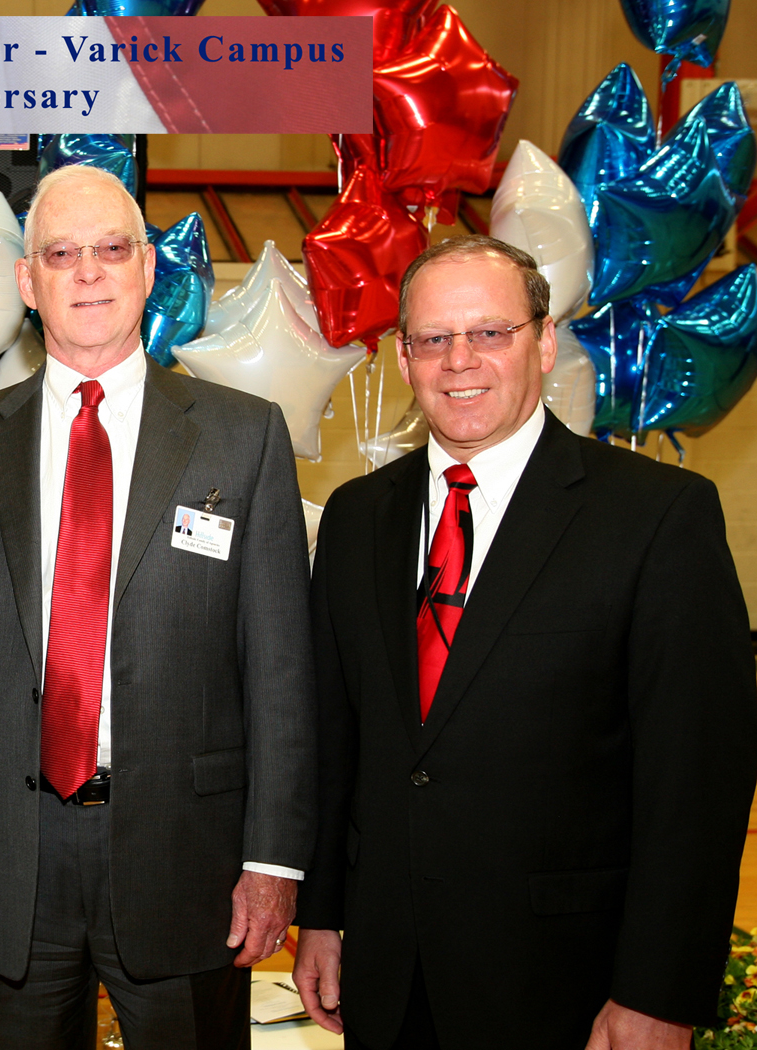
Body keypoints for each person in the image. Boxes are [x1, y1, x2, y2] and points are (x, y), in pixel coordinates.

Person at [294, 235, 757, 1050]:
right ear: (403, 358)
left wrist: (657, 994)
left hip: (567, 985)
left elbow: (698, 782)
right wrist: (322, 917)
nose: (459, 360)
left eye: (490, 332)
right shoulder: (357, 519)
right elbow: (338, 743)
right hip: (388, 975)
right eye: (433, 338)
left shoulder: (656, 517)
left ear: (543, 342)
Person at [0, 164, 317, 1049]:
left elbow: (280, 671)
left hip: (189, 857)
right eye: (61, 254)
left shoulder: (244, 437)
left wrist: (272, 859)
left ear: (148, 269)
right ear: (27, 282)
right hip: (13, 855)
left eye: (112, 249)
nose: (88, 272)